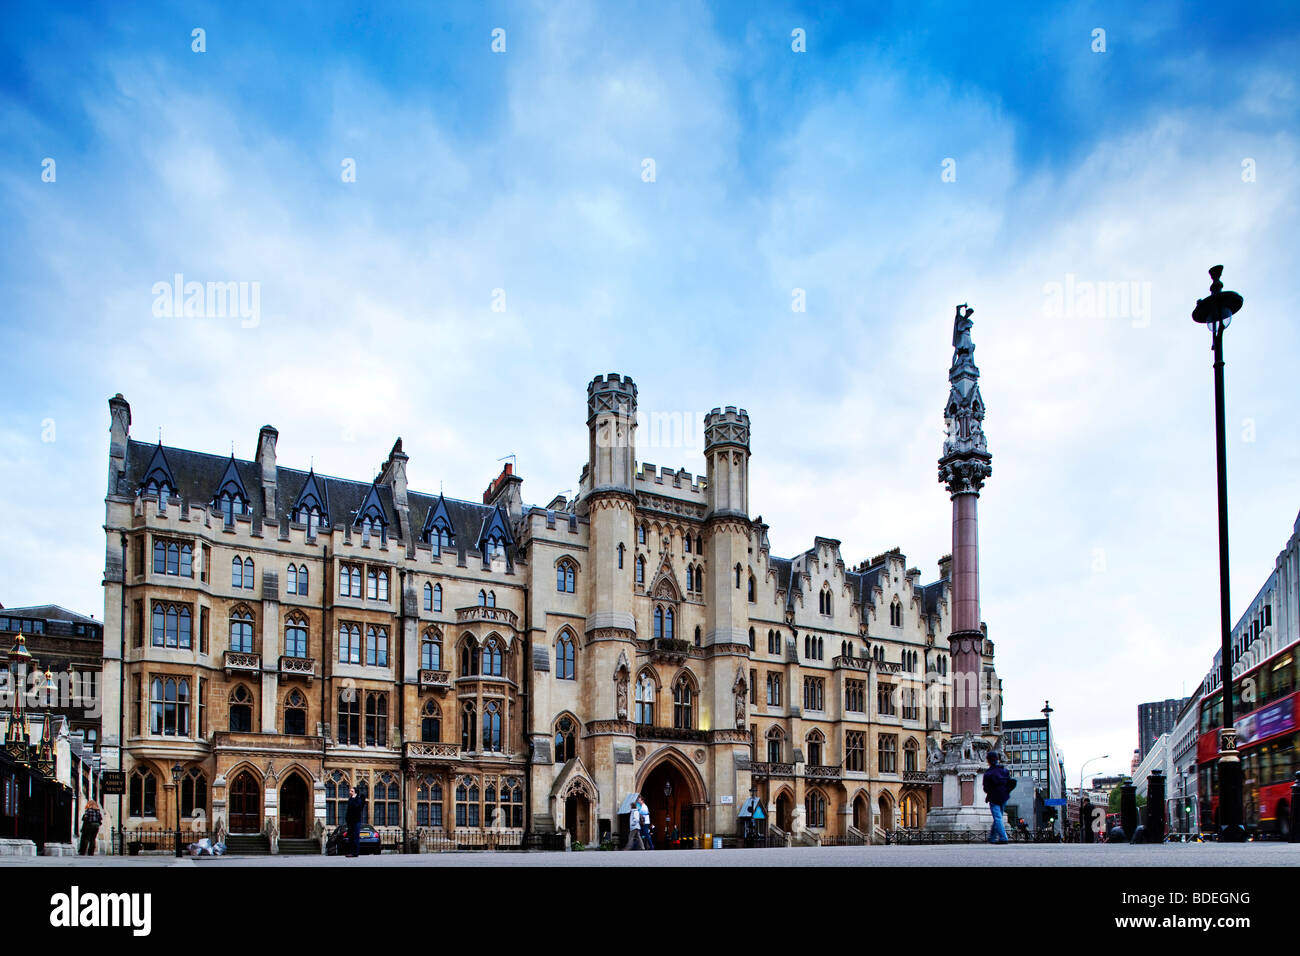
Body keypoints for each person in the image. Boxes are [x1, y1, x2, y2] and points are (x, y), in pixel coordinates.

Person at [982, 752, 1015, 844]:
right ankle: (992, 837)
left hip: (994, 797)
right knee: (998, 817)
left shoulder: (988, 773)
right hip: (1004, 796)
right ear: (997, 759)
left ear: (988, 760)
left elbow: (986, 788)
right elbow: (1009, 781)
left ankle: (1003, 837)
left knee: (997, 817)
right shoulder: (1004, 770)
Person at [345, 786, 365, 858]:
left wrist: (353, 799)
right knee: (351, 837)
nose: (350, 792)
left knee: (355, 837)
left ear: (355, 792)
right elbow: (349, 809)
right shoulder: (351, 799)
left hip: (356, 821)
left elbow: (356, 808)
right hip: (350, 821)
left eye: (351, 791)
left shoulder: (358, 799)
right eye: (350, 791)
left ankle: (355, 853)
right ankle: (351, 852)